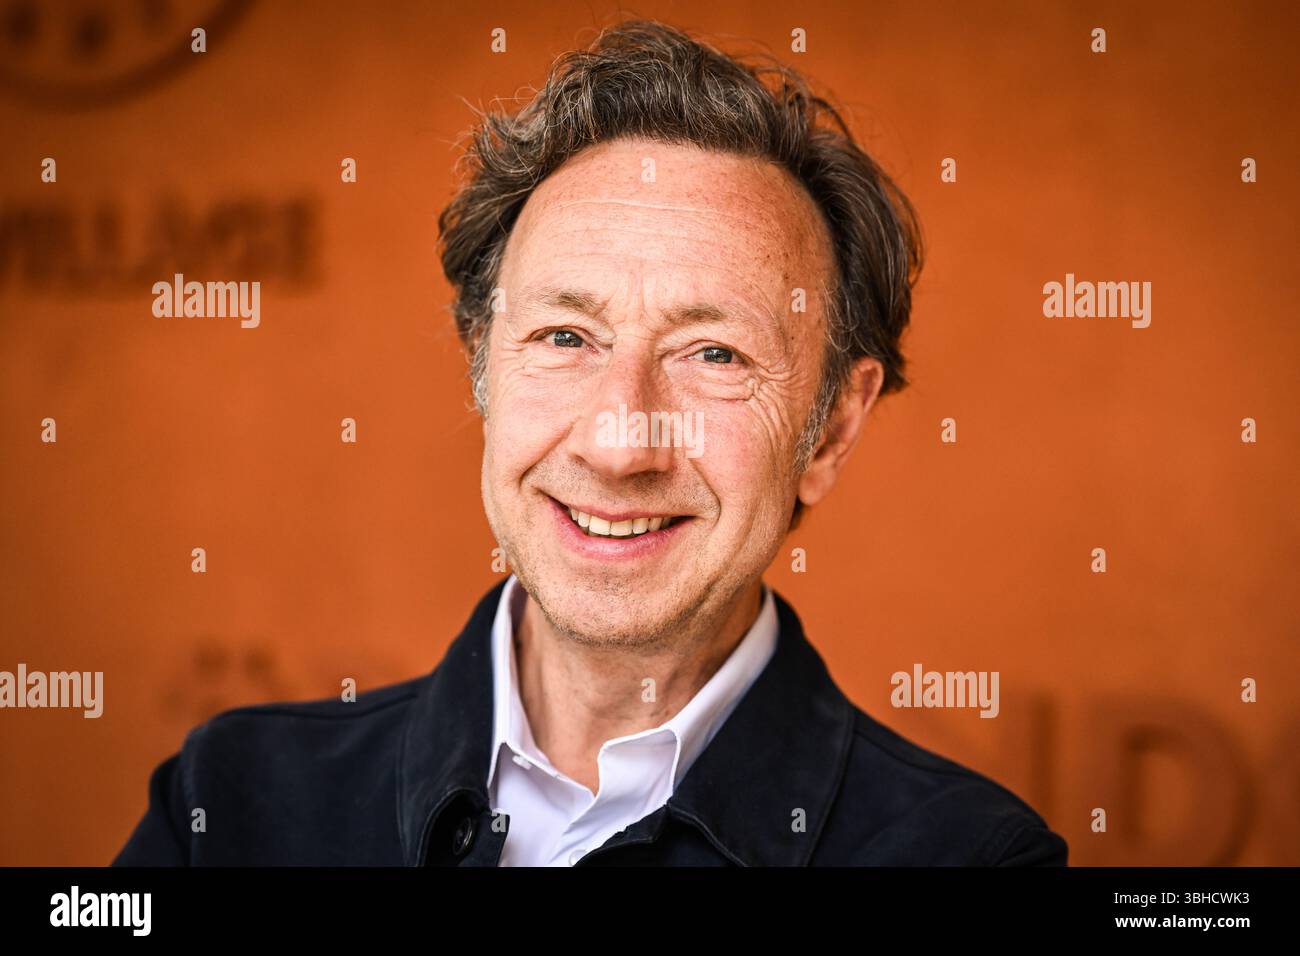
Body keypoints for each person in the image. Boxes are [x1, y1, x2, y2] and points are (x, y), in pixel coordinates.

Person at [113, 19, 1067, 867]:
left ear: (833, 427)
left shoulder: (969, 857)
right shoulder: (231, 807)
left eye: (714, 353)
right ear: (484, 364)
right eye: (566, 337)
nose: (620, 444)